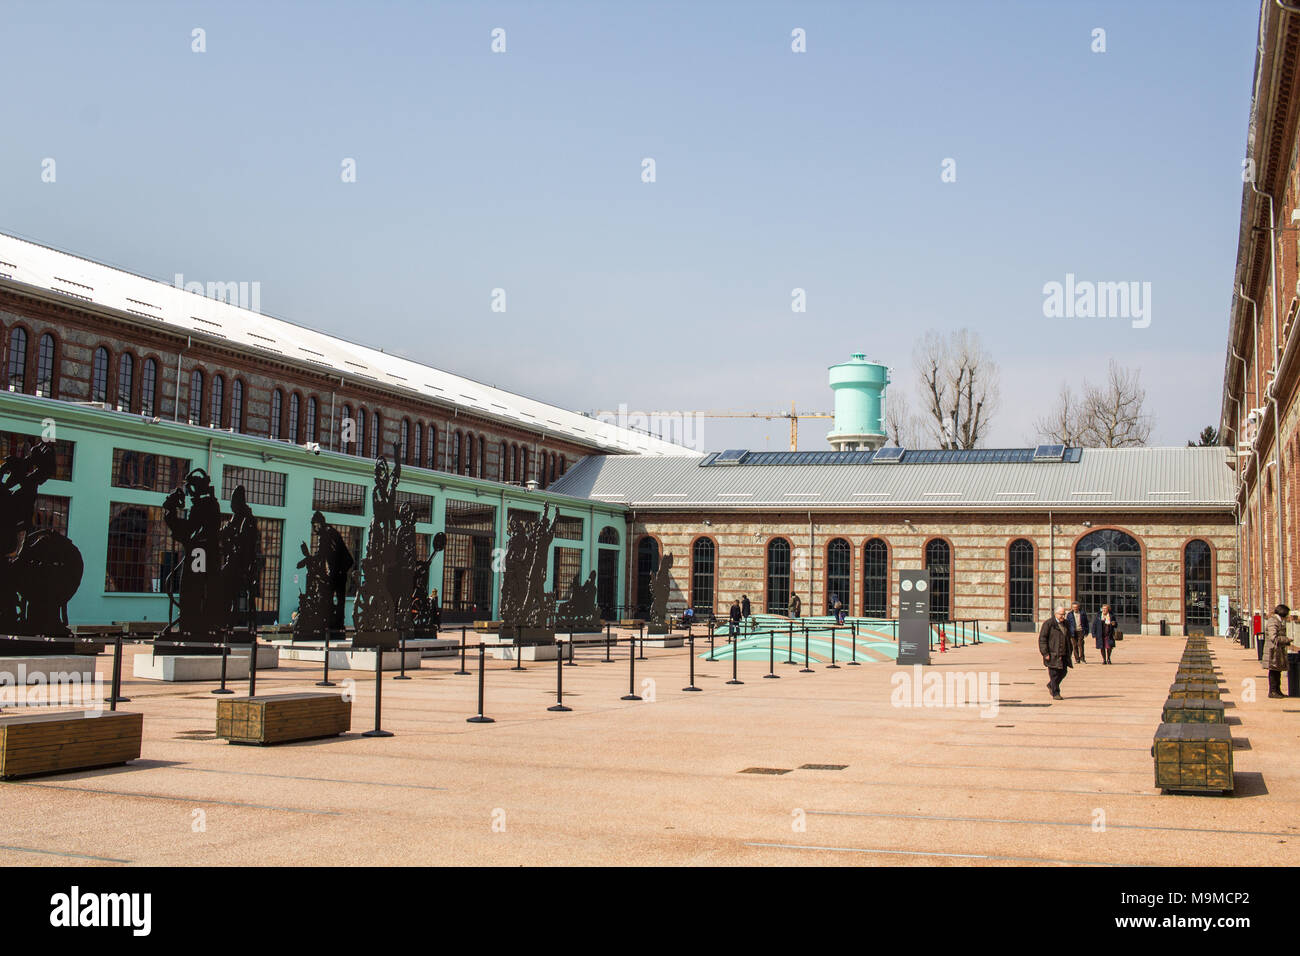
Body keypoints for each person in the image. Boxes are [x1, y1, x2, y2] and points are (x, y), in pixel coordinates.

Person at [1038, 606, 1071, 700]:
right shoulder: (1048, 624)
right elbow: (1042, 639)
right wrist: (1045, 653)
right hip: (1052, 654)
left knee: (1063, 672)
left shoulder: (1066, 624)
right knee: (1054, 674)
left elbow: (1068, 637)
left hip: (1064, 653)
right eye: (1061, 614)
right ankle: (1056, 693)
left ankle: (1051, 685)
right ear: (1056, 614)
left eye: (1064, 614)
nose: (1063, 617)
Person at [1265, 604, 1293, 699]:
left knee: (1278, 671)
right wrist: (1286, 640)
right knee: (1273, 671)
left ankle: (1277, 690)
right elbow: (1273, 637)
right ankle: (1272, 691)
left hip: (1277, 650)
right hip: (1273, 651)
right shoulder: (1273, 621)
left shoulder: (1278, 621)